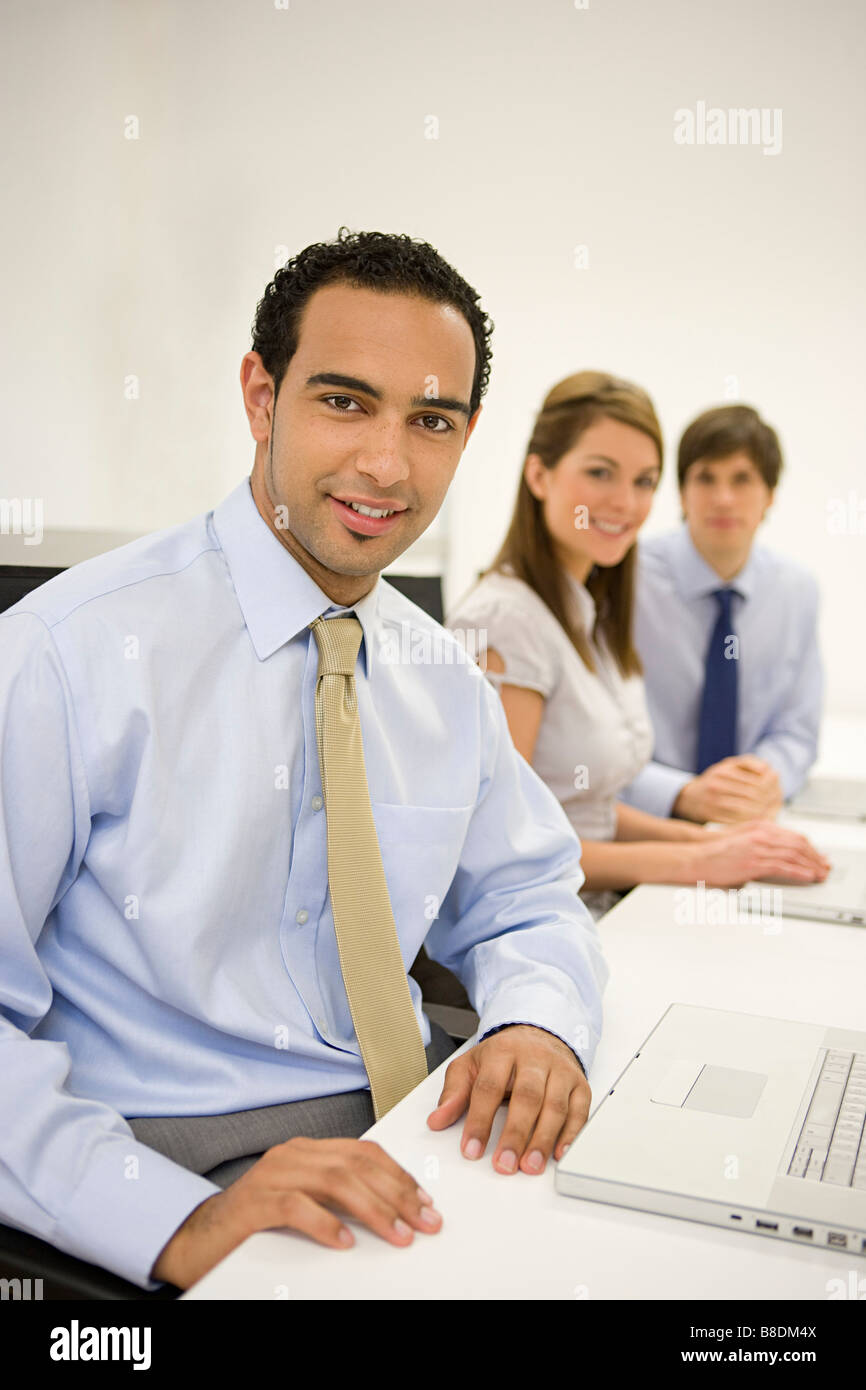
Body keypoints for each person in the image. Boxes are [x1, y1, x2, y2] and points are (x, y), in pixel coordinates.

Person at [0, 230, 607, 1295]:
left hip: (416, 1132)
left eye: (429, 421)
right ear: (259, 396)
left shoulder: (440, 677)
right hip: (161, 1150)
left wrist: (534, 1021)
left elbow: (526, 896)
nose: (385, 464)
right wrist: (172, 1220)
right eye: (342, 402)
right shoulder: (68, 654)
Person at [447, 373, 828, 919]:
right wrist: (696, 860)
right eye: (600, 472)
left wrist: (708, 843)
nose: (625, 502)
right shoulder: (506, 620)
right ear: (539, 474)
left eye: (644, 481)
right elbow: (502, 843)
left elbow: (584, 809)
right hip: (535, 931)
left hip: (606, 905)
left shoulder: (585, 611)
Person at [621, 404, 823, 823]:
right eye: (705, 478)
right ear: (681, 493)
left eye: (742, 479)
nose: (723, 498)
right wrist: (681, 793)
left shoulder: (796, 591)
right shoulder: (624, 579)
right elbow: (591, 743)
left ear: (769, 495)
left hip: (748, 820)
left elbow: (797, 731)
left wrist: (763, 781)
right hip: (643, 816)